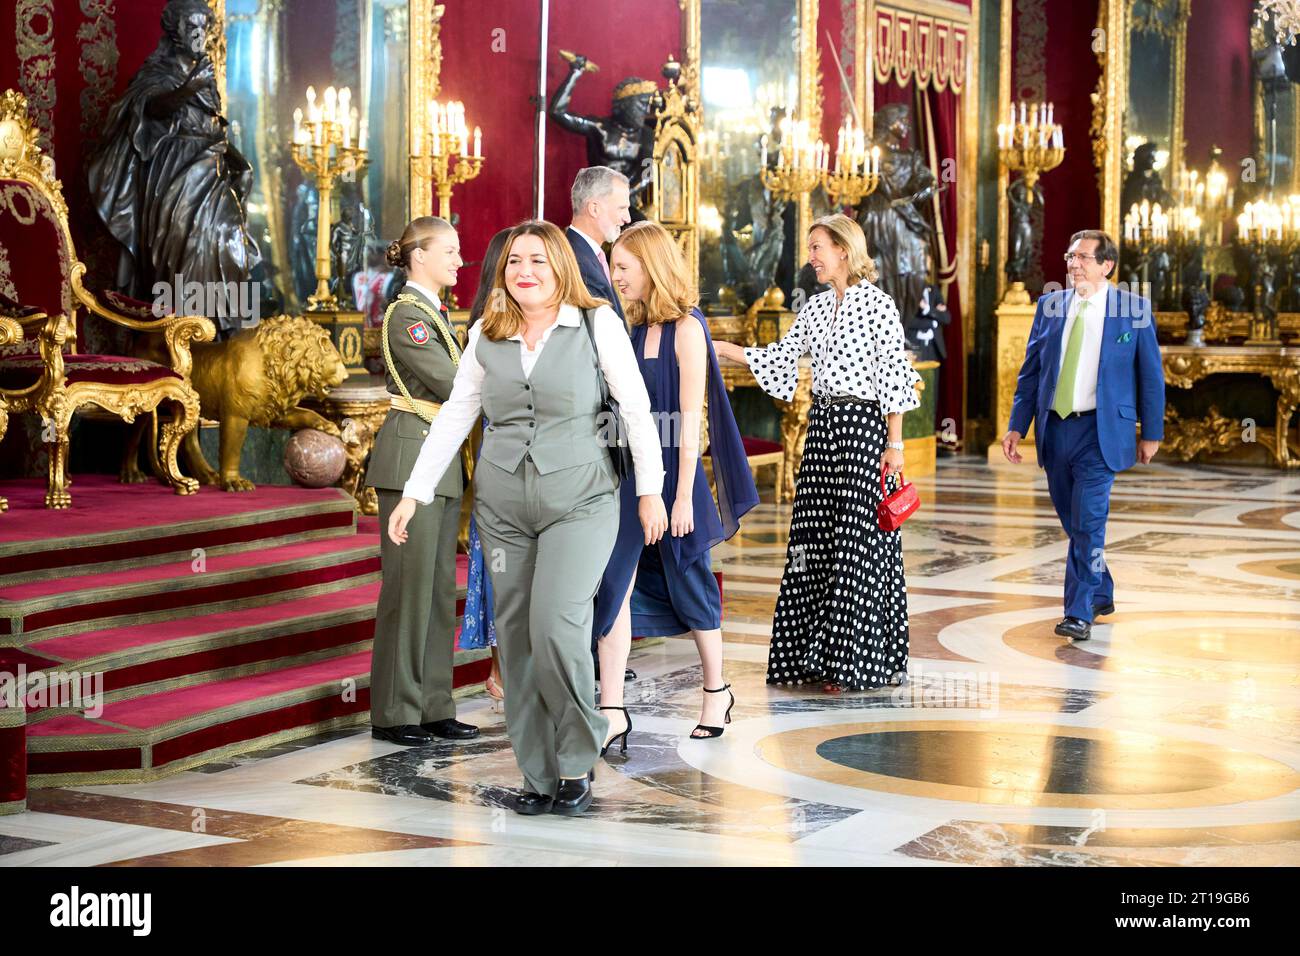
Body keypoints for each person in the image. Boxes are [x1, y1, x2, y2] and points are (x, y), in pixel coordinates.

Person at [388, 220, 667, 817]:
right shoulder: (488, 332)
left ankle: (577, 755)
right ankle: (540, 775)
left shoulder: (595, 323)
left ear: (560, 266)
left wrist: (652, 493)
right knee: (514, 640)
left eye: (539, 260)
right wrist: (414, 491)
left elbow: (638, 413)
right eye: (515, 261)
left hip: (582, 502)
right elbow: (458, 414)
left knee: (556, 627)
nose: (526, 271)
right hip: (503, 508)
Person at [716, 214, 919, 692]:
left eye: (817, 247)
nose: (811, 257)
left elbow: (894, 380)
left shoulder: (879, 306)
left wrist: (895, 446)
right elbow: (781, 357)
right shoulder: (815, 308)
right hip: (824, 429)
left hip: (864, 432)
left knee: (857, 544)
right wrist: (726, 349)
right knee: (813, 543)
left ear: (844, 250)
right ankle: (811, 657)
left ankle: (856, 663)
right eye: (810, 248)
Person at [593, 222, 759, 752]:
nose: (616, 276)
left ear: (652, 267)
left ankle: (717, 691)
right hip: (629, 473)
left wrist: (683, 494)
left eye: (624, 267)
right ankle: (611, 707)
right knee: (613, 583)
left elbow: (692, 420)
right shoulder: (628, 327)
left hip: (673, 477)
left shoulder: (688, 329)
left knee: (691, 581)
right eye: (613, 267)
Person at [1002, 230, 1165, 641]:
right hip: (1056, 428)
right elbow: (1032, 371)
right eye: (1070, 256)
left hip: (1101, 431)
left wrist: (1152, 433)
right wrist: (1017, 425)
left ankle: (1078, 612)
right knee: (1074, 521)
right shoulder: (1050, 306)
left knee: (1090, 522)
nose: (1073, 264)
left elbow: (1151, 376)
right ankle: (1101, 588)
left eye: (1083, 258)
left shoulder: (1133, 309)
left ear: (1106, 265)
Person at [363, 216, 479, 745]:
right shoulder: (406, 316)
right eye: (449, 250)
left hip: (439, 459)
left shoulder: (434, 314)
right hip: (411, 457)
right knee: (408, 591)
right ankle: (394, 712)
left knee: (436, 593)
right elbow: (454, 384)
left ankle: (433, 704)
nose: (459, 259)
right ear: (419, 258)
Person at [564, 165, 638, 685]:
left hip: (605, 419)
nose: (627, 216)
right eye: (621, 206)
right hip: (587, 420)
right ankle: (588, 653)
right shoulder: (569, 256)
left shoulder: (594, 257)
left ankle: (601, 650)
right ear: (593, 207)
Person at [460, 228, 514, 707]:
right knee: (499, 570)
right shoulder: (486, 329)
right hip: (500, 469)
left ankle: (511, 666)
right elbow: (465, 409)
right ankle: (501, 667)